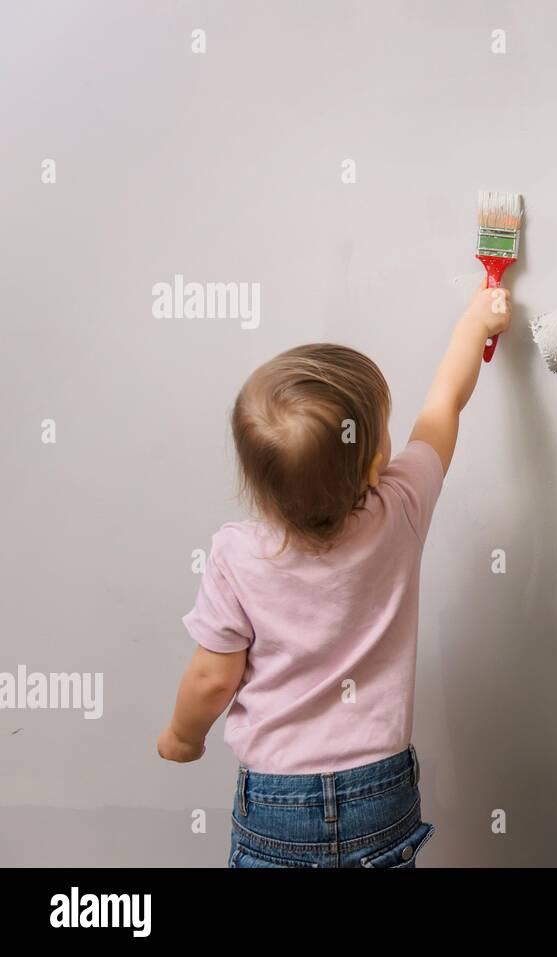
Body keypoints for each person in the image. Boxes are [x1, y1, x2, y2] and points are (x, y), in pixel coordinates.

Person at [156, 283, 511, 867]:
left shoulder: (235, 556)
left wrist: (182, 736)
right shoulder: (401, 508)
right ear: (374, 464)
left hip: (277, 802)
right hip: (382, 791)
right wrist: (475, 326)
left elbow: (211, 680)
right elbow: (444, 405)